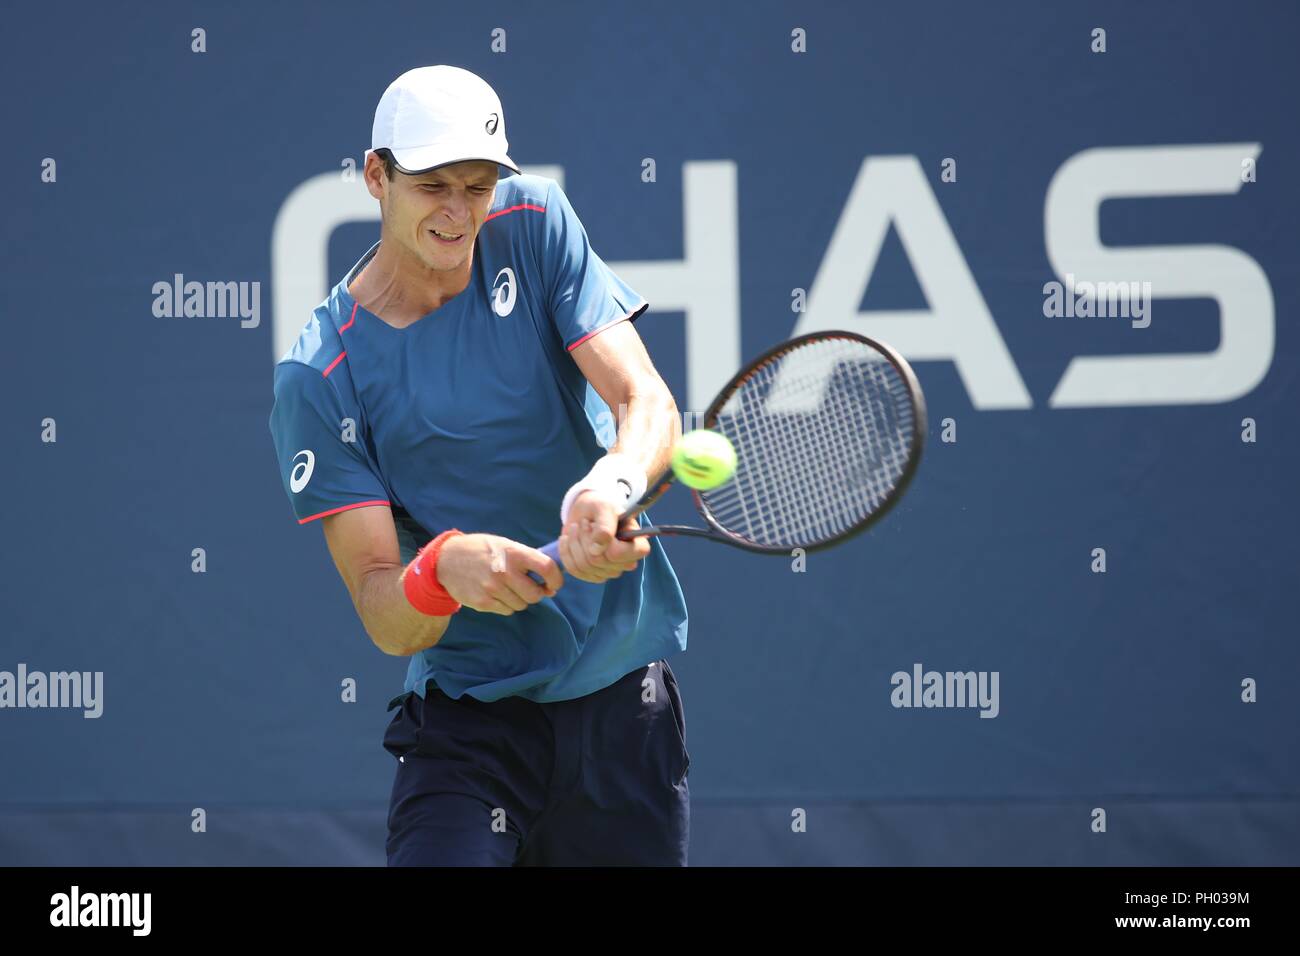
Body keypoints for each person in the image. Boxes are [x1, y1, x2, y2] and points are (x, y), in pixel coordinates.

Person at [269, 65, 690, 865]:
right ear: (375, 177)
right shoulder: (321, 377)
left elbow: (647, 402)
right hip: (471, 727)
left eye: (478, 184)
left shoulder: (534, 225)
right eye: (432, 187)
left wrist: (612, 486)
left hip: (622, 710)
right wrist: (441, 571)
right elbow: (382, 610)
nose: (460, 212)